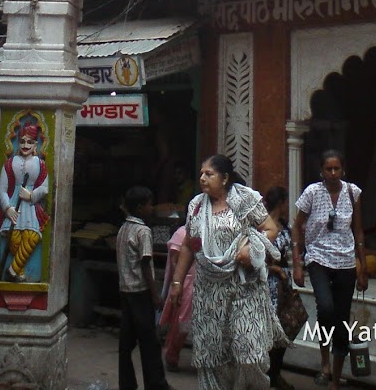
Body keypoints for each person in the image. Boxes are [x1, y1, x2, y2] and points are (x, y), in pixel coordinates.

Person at [168, 154, 288, 389]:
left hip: (244, 287)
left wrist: (251, 247)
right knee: (215, 355)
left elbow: (270, 228)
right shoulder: (197, 205)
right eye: (201, 173)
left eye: (209, 174)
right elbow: (189, 245)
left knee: (249, 352)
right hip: (209, 290)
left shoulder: (244, 199)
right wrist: (177, 282)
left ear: (224, 179)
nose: (202, 178)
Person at [291, 149, 367, 390]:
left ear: (343, 170)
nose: (333, 173)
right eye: (328, 169)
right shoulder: (312, 193)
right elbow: (297, 226)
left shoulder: (353, 192)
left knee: (341, 318)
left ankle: (334, 377)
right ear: (321, 171)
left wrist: (362, 266)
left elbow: (359, 230)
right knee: (325, 308)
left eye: (337, 169)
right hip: (318, 258)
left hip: (345, 261)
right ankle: (324, 360)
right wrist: (297, 262)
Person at [116, 185, 174, 390]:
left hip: (125, 291)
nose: (152, 208)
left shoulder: (123, 229)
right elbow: (145, 264)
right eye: (149, 204)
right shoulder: (143, 231)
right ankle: (156, 384)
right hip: (140, 292)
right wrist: (155, 295)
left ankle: (127, 384)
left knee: (126, 343)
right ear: (141, 207)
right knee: (149, 341)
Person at [0, 121, 49, 282]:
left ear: (35, 145)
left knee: (32, 237)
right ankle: (18, 273)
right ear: (18, 143)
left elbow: (45, 188)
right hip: (13, 205)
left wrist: (31, 195)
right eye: (22, 141)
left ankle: (12, 270)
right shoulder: (10, 163)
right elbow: (1, 189)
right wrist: (7, 208)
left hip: (30, 207)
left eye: (30, 142)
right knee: (14, 239)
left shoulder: (40, 164)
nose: (26, 145)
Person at [264, 186, 294, 390]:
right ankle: (266, 373)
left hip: (284, 283)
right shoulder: (264, 227)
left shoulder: (285, 226)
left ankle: (275, 372)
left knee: (284, 330)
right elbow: (256, 258)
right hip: (268, 283)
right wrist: (277, 269)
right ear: (281, 203)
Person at [158, 218, 195, 371]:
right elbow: (174, 261)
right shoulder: (181, 233)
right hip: (186, 282)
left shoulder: (206, 231)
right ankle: (172, 356)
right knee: (180, 323)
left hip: (203, 282)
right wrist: (177, 283)